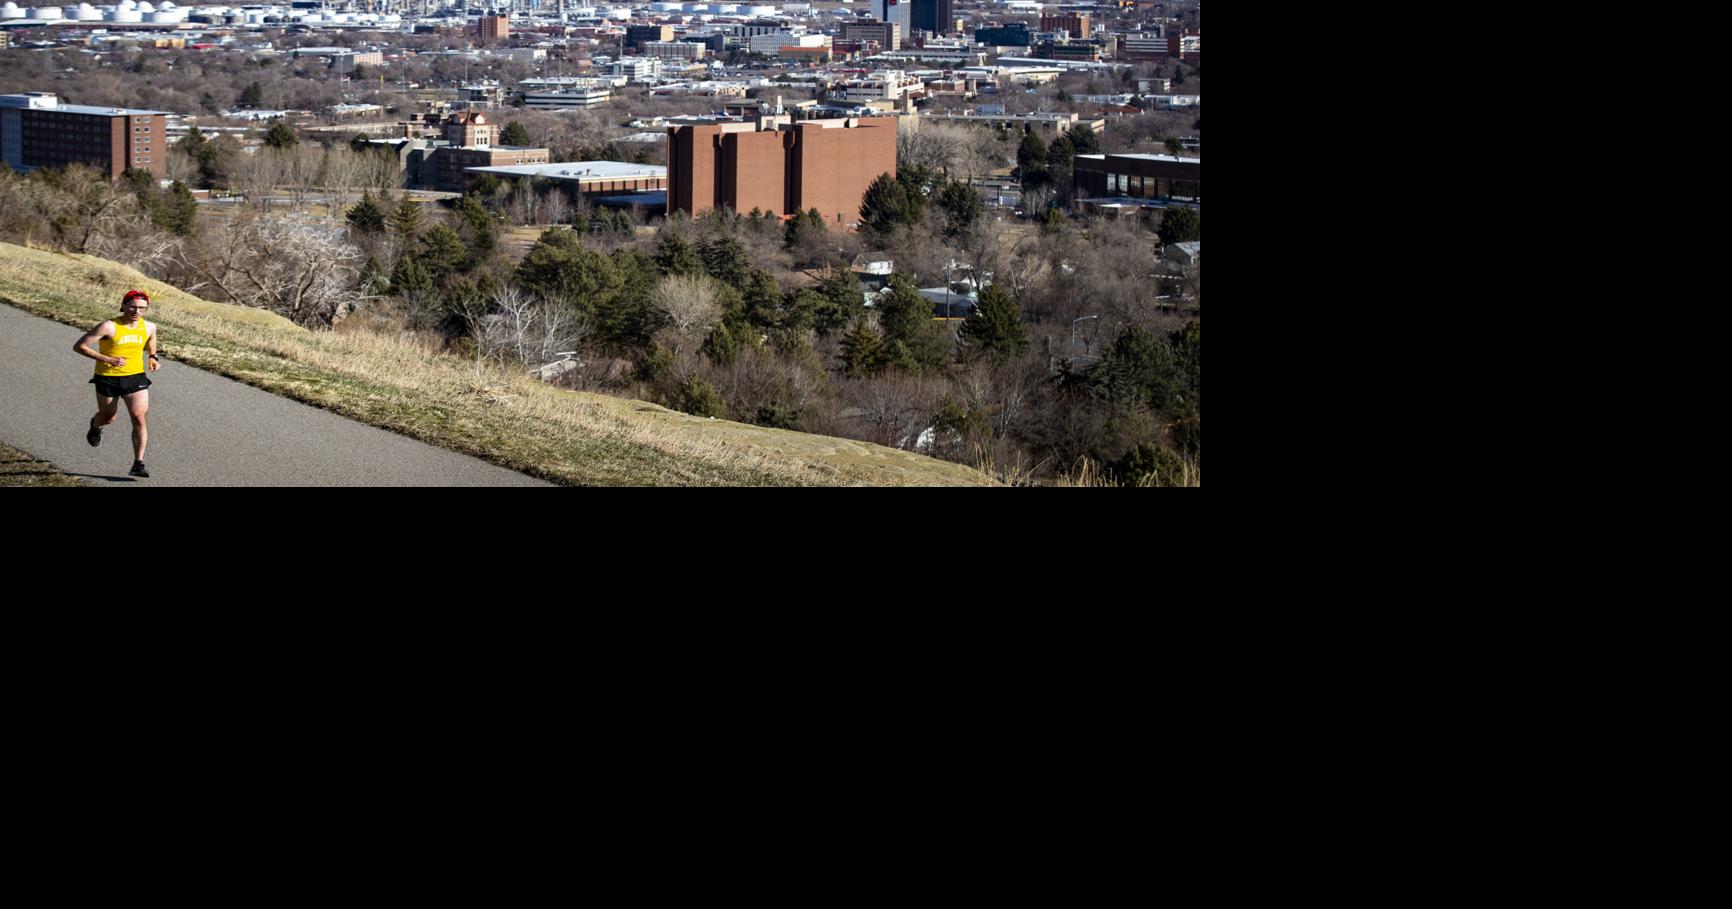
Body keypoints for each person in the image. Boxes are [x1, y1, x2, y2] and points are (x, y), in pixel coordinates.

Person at [74, 289, 159, 478]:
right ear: (124, 306)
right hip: (108, 377)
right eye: (133, 307)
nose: (137, 311)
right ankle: (96, 425)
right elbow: (79, 346)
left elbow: (151, 339)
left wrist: (153, 356)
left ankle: (138, 463)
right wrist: (107, 359)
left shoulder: (149, 327)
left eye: (142, 308)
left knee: (139, 417)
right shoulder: (109, 326)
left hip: (135, 376)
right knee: (109, 417)